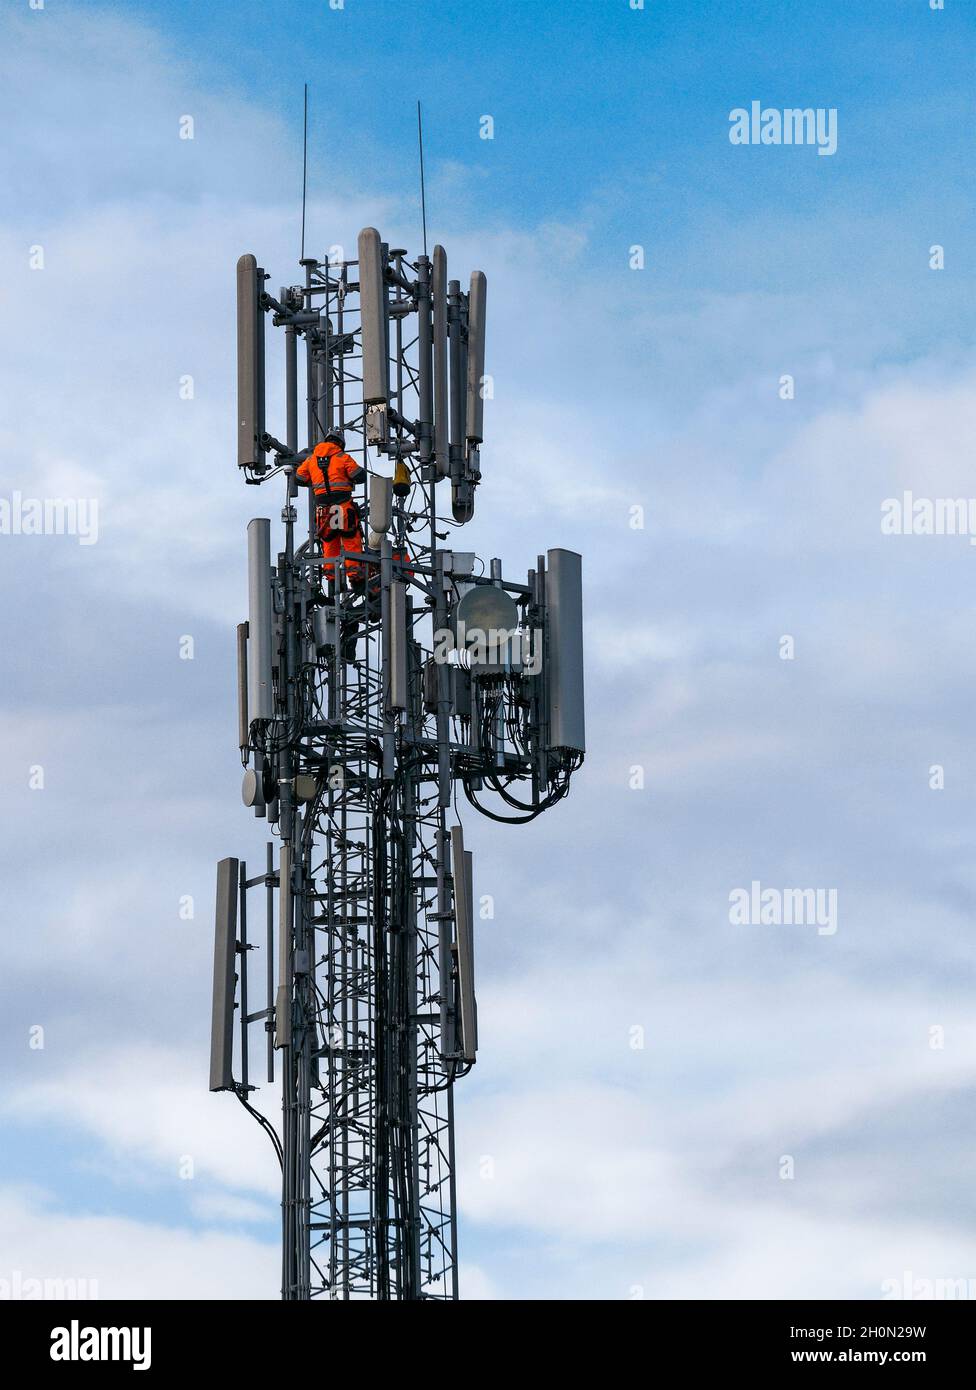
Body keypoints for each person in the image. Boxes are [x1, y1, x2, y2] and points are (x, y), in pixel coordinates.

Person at [295, 429, 366, 585]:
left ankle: (332, 581)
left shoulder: (311, 460)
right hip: (343, 506)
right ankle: (355, 578)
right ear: (340, 443)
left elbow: (298, 478)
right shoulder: (343, 457)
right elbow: (360, 476)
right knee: (350, 540)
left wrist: (314, 481)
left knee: (329, 543)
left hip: (323, 509)